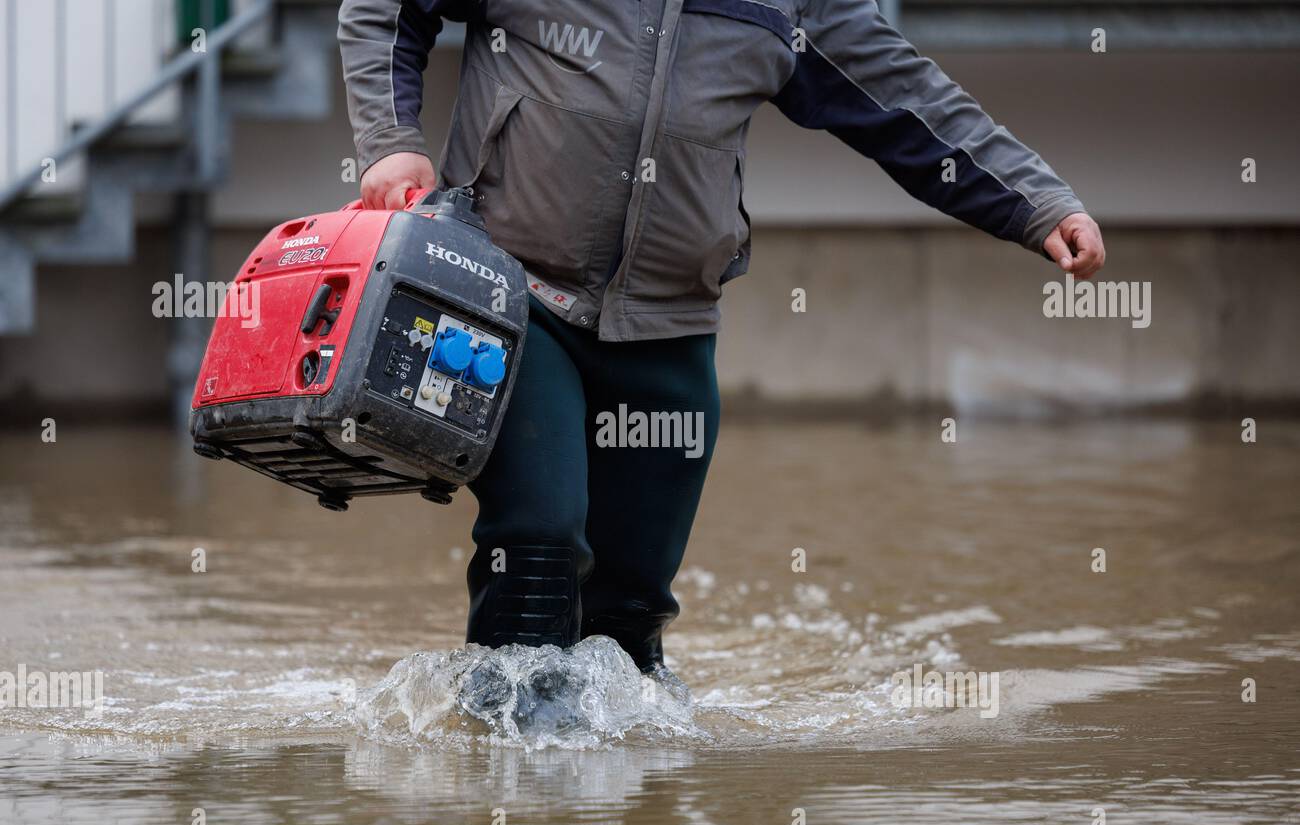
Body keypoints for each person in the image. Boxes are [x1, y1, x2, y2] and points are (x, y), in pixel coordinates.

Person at [338, 0, 1105, 677]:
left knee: (631, 606)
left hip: (669, 331)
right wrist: (388, 140)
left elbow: (905, 98)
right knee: (537, 541)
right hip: (513, 297)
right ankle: (509, 796)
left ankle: (624, 819)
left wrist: (1036, 202)